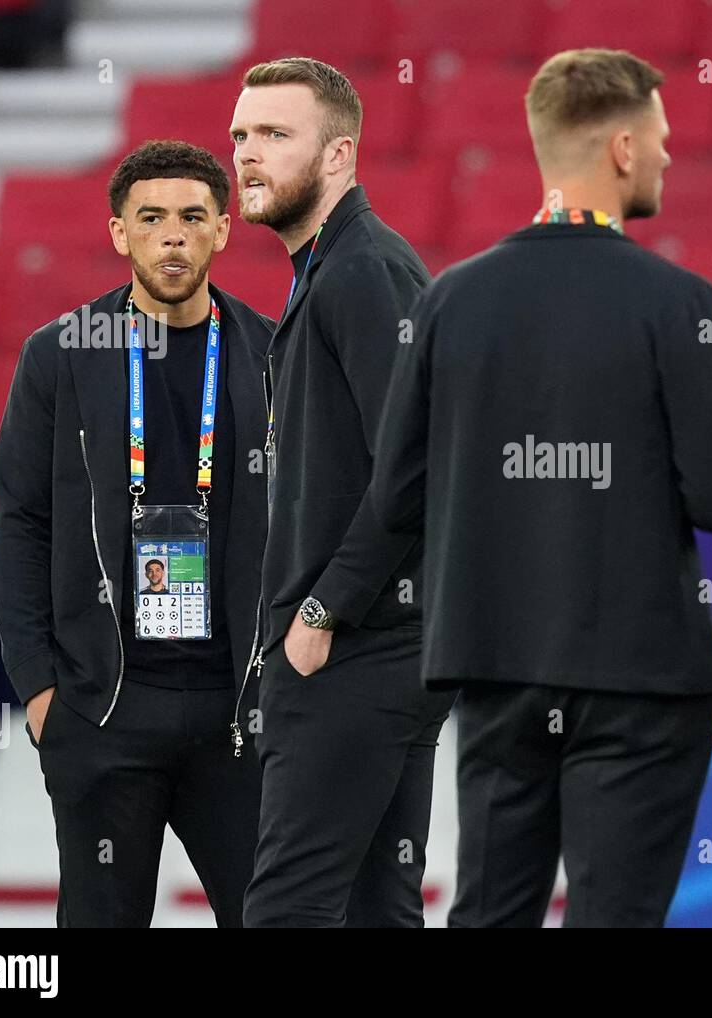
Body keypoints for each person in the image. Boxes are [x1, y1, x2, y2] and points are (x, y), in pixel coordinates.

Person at [371, 47, 712, 927]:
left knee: (489, 913)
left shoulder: (449, 301)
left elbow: (395, 498)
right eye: (659, 136)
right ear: (622, 147)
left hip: (497, 669)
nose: (668, 154)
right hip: (642, 677)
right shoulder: (681, 302)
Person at [0, 140, 273, 927]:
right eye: (150, 218)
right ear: (119, 232)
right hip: (104, 710)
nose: (172, 235)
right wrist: (41, 692)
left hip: (238, 713)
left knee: (277, 918)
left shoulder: (272, 353)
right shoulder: (59, 355)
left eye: (192, 217)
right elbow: (19, 523)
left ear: (224, 228)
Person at [229, 56, 455, 928]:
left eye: (275, 134)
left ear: (338, 156)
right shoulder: (338, 266)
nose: (248, 154)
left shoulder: (362, 269)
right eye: (241, 135)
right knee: (377, 909)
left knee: (289, 907)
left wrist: (323, 612)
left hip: (357, 652)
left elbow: (421, 459)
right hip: (381, 646)